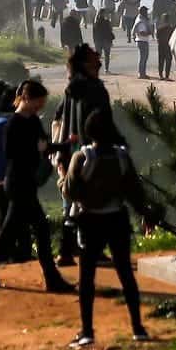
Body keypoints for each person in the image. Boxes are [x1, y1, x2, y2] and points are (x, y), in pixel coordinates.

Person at [58, 109, 159, 349]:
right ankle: (138, 328)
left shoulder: (82, 157)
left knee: (87, 277)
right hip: (118, 219)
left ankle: (87, 332)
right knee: (125, 273)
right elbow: (134, 191)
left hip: (90, 221)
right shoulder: (122, 157)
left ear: (88, 132)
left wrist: (61, 176)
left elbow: (71, 192)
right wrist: (145, 214)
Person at [0, 79, 75, 293]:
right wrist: (36, 148)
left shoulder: (32, 121)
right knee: (40, 228)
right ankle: (52, 278)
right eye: (39, 101)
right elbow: (12, 152)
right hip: (17, 182)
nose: (41, 106)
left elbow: (44, 145)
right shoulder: (14, 123)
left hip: (25, 182)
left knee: (11, 232)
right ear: (27, 99)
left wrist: (64, 145)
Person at [51, 45, 111, 267]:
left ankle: (68, 250)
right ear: (86, 63)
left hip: (71, 154)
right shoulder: (94, 90)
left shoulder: (71, 90)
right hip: (91, 153)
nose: (99, 58)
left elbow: (59, 118)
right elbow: (100, 123)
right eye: (94, 56)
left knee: (72, 202)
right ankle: (89, 249)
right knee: (93, 204)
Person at [151, 0, 176, 80]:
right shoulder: (172, 1)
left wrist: (154, 26)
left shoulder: (156, 1)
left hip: (161, 24)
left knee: (162, 59)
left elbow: (154, 13)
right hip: (169, 25)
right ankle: (166, 75)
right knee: (168, 59)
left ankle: (161, 75)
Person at [131, 6, 155, 79]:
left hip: (142, 40)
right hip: (142, 41)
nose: (147, 12)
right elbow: (141, 32)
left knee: (144, 58)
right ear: (143, 12)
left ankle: (142, 73)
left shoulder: (142, 19)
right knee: (143, 58)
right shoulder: (141, 20)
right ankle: (141, 74)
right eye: (146, 11)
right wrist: (149, 33)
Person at [92, 9, 115, 73]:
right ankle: (106, 69)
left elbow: (94, 33)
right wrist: (111, 41)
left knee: (98, 56)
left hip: (98, 40)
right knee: (107, 55)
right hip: (106, 40)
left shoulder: (96, 22)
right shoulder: (107, 22)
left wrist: (94, 40)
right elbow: (110, 31)